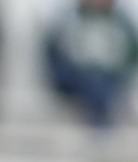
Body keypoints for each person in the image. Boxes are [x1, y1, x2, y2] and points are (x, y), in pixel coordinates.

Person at [44, 0, 138, 129]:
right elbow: (53, 55)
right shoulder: (67, 20)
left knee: (102, 88)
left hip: (108, 83)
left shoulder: (122, 23)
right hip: (74, 81)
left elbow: (130, 57)